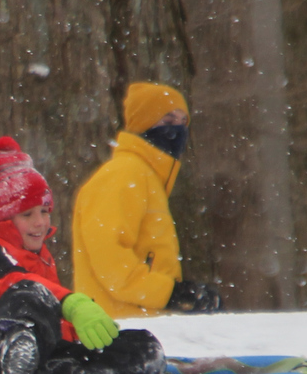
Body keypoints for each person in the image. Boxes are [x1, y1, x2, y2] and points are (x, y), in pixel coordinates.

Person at [0, 137, 163, 374]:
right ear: (1, 218)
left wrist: (89, 338)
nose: (40, 222)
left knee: (141, 346)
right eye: (27, 214)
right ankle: (15, 356)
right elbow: (14, 283)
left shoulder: (40, 256)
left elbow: (51, 317)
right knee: (32, 293)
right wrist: (71, 303)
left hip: (46, 349)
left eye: (44, 211)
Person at [70, 81, 224, 319]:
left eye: (183, 122)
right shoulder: (123, 175)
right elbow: (111, 263)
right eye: (168, 121)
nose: (177, 131)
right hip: (118, 329)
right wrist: (170, 293)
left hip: (140, 325)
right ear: (143, 124)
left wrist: (182, 296)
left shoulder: (147, 179)